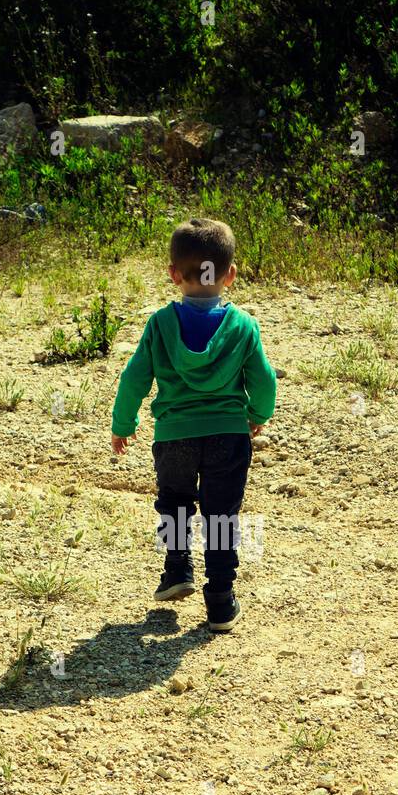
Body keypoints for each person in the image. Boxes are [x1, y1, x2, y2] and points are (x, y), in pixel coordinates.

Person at [110, 217, 276, 630]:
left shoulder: (160, 325)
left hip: (175, 436)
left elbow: (133, 378)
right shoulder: (243, 327)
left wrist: (123, 423)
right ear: (230, 275)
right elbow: (265, 380)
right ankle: (220, 601)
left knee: (175, 503)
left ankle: (176, 569)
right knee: (221, 515)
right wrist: (257, 415)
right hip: (227, 435)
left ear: (173, 275)